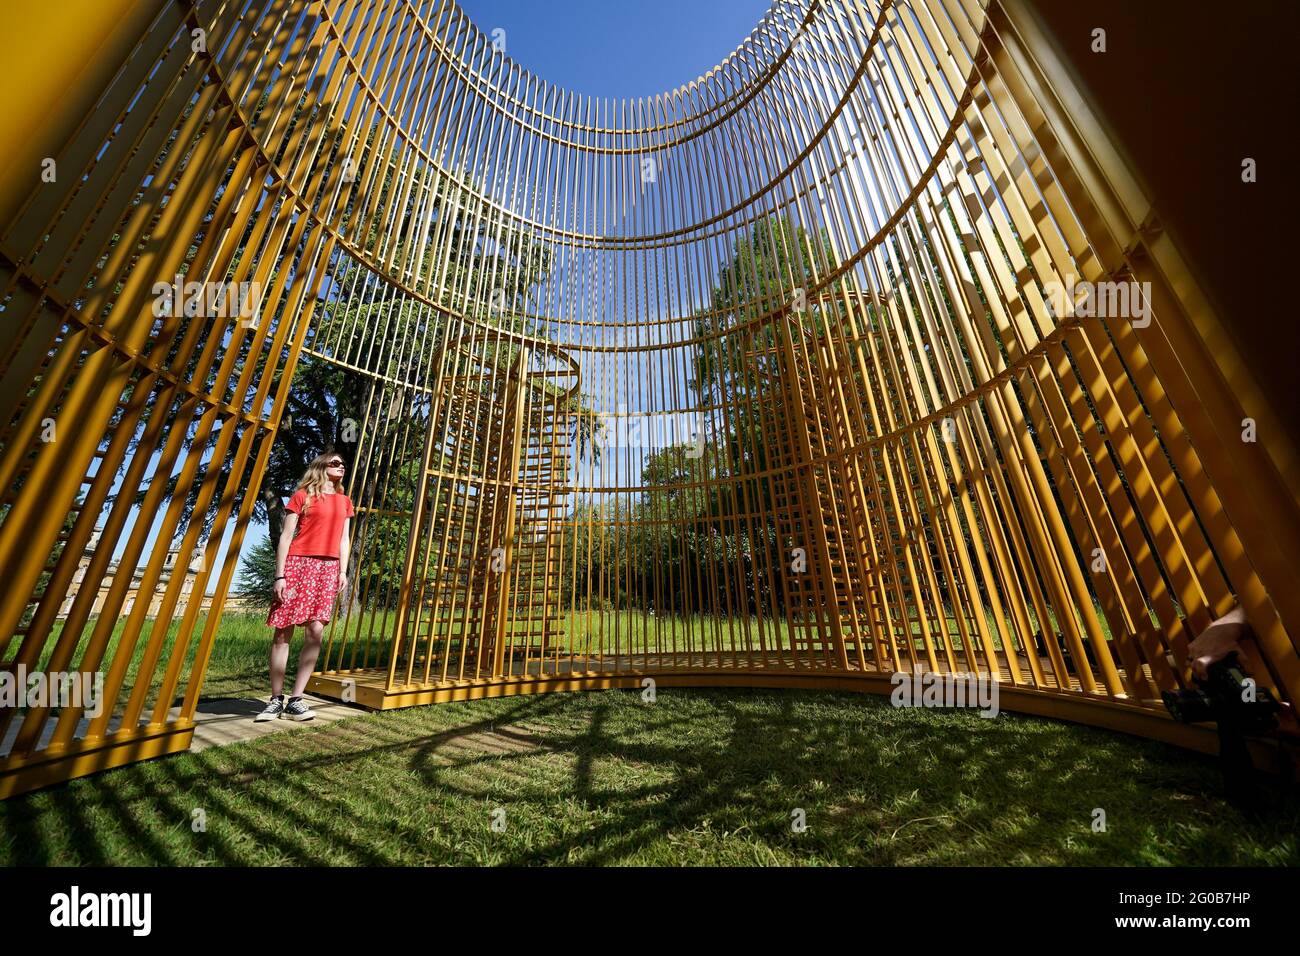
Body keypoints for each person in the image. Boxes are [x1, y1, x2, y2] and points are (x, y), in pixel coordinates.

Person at [255, 451, 353, 722]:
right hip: (298, 565)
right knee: (282, 632)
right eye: (335, 463)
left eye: (343, 464)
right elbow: (286, 536)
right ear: (321, 467)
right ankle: (275, 700)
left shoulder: (345, 502)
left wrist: (342, 571)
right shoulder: (302, 496)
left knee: (316, 630)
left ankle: (296, 699)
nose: (340, 467)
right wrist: (279, 576)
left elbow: (344, 539)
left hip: (328, 568)